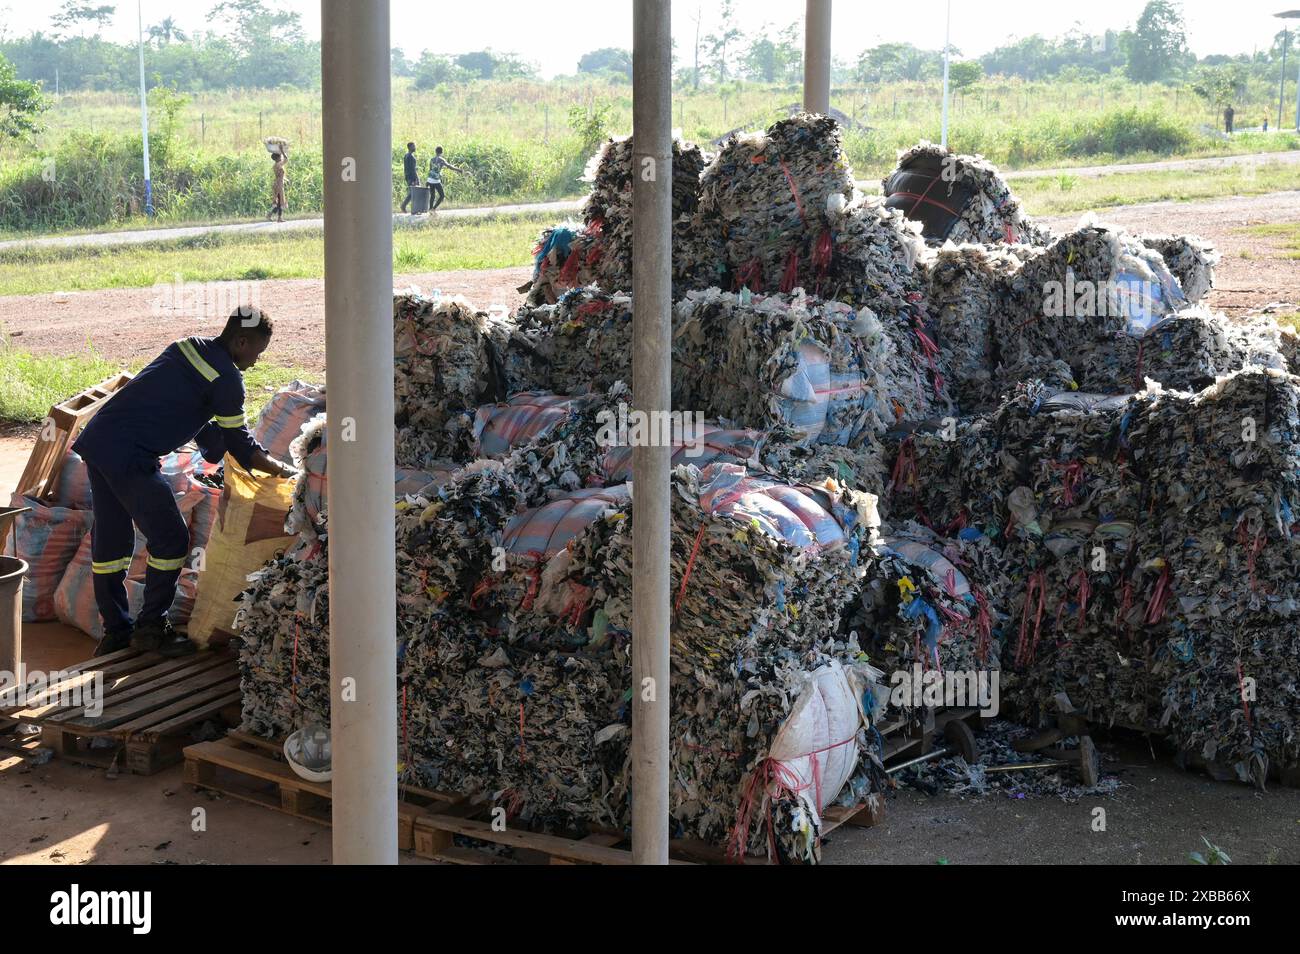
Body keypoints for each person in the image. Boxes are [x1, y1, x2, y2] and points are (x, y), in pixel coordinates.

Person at [72, 308, 295, 658]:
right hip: (131, 456)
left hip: (100, 442)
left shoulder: (188, 347)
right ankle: (150, 629)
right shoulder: (226, 378)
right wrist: (285, 472)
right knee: (172, 538)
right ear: (241, 341)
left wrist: (219, 436)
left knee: (112, 542)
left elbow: (201, 428)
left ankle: (116, 631)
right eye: (257, 352)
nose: (255, 361)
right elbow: (240, 444)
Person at [426, 145, 466, 211]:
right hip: (436, 180)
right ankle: (433, 209)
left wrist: (427, 181)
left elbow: (430, 170)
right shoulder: (442, 160)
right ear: (442, 152)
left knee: (432, 195)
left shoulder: (432, 159)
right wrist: (459, 170)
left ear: (435, 152)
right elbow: (450, 167)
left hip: (430, 179)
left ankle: (430, 208)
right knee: (442, 196)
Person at [400, 141, 420, 213]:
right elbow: (412, 169)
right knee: (414, 193)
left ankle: (411, 207)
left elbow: (408, 168)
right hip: (412, 178)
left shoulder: (406, 155)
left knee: (413, 193)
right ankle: (405, 206)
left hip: (408, 177)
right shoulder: (410, 157)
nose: (415, 147)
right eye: (413, 146)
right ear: (410, 147)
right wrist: (416, 179)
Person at [268, 151, 287, 222]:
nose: (281, 157)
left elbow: (280, 176)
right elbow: (286, 159)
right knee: (280, 201)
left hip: (278, 184)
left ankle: (274, 216)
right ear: (278, 158)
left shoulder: (276, 165)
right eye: (280, 156)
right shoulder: (278, 164)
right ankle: (275, 216)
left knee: (279, 201)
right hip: (278, 185)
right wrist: (282, 151)